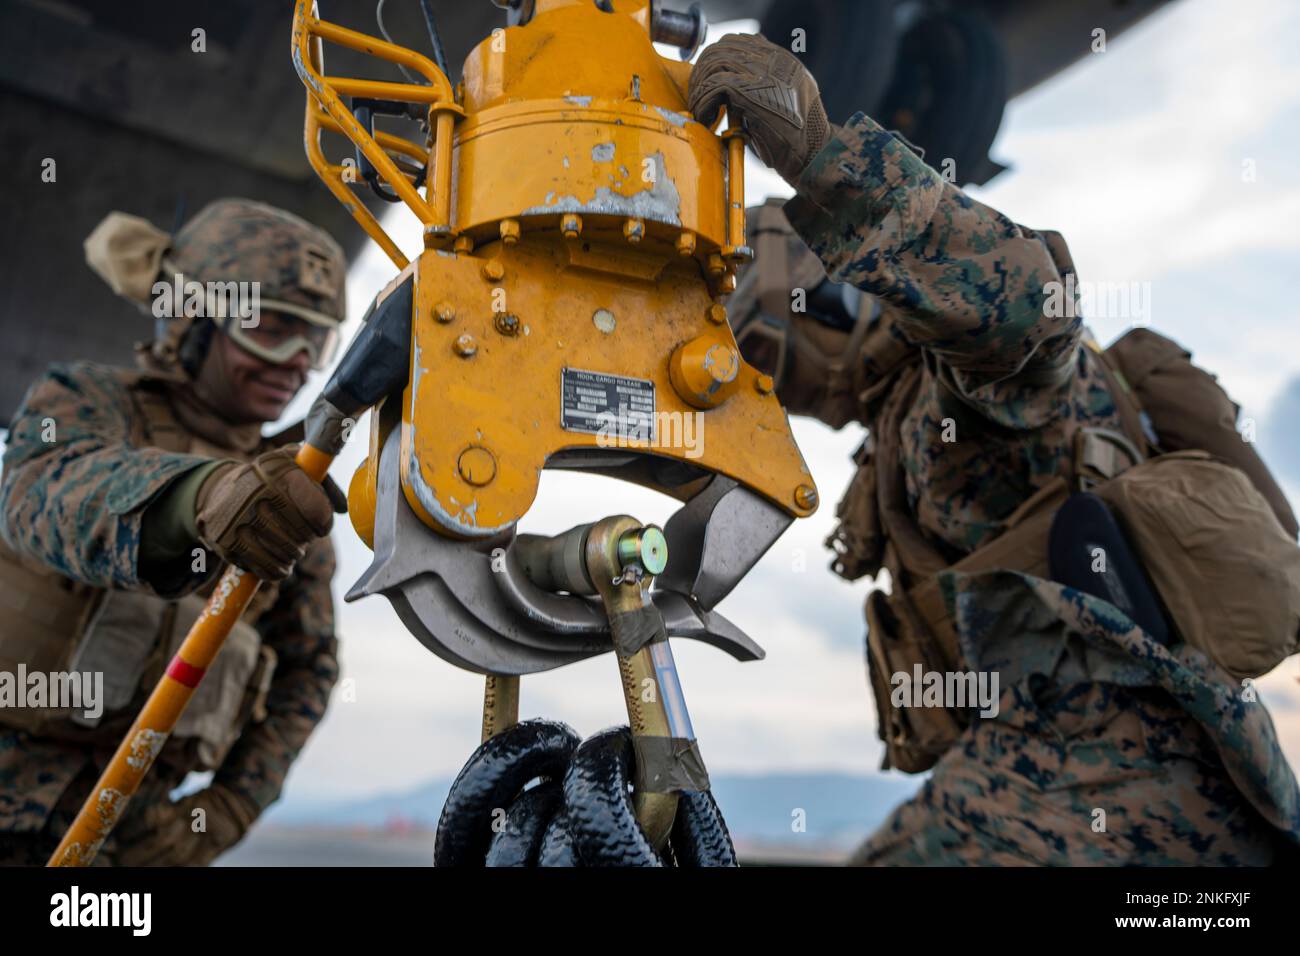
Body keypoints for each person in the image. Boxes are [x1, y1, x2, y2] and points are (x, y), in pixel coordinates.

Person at [691, 33, 1300, 864]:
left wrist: (820, 156)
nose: (779, 378)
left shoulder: (968, 387)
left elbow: (1031, 306)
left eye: (771, 342)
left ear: (838, 302)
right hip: (1077, 768)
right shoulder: (905, 426)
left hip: (1114, 773)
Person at [0, 198, 347, 866]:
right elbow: (46, 493)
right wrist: (204, 498)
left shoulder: (293, 502)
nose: (295, 364)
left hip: (129, 841)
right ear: (195, 317)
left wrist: (227, 810)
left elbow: (310, 669)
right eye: (269, 329)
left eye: (316, 341)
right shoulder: (85, 401)